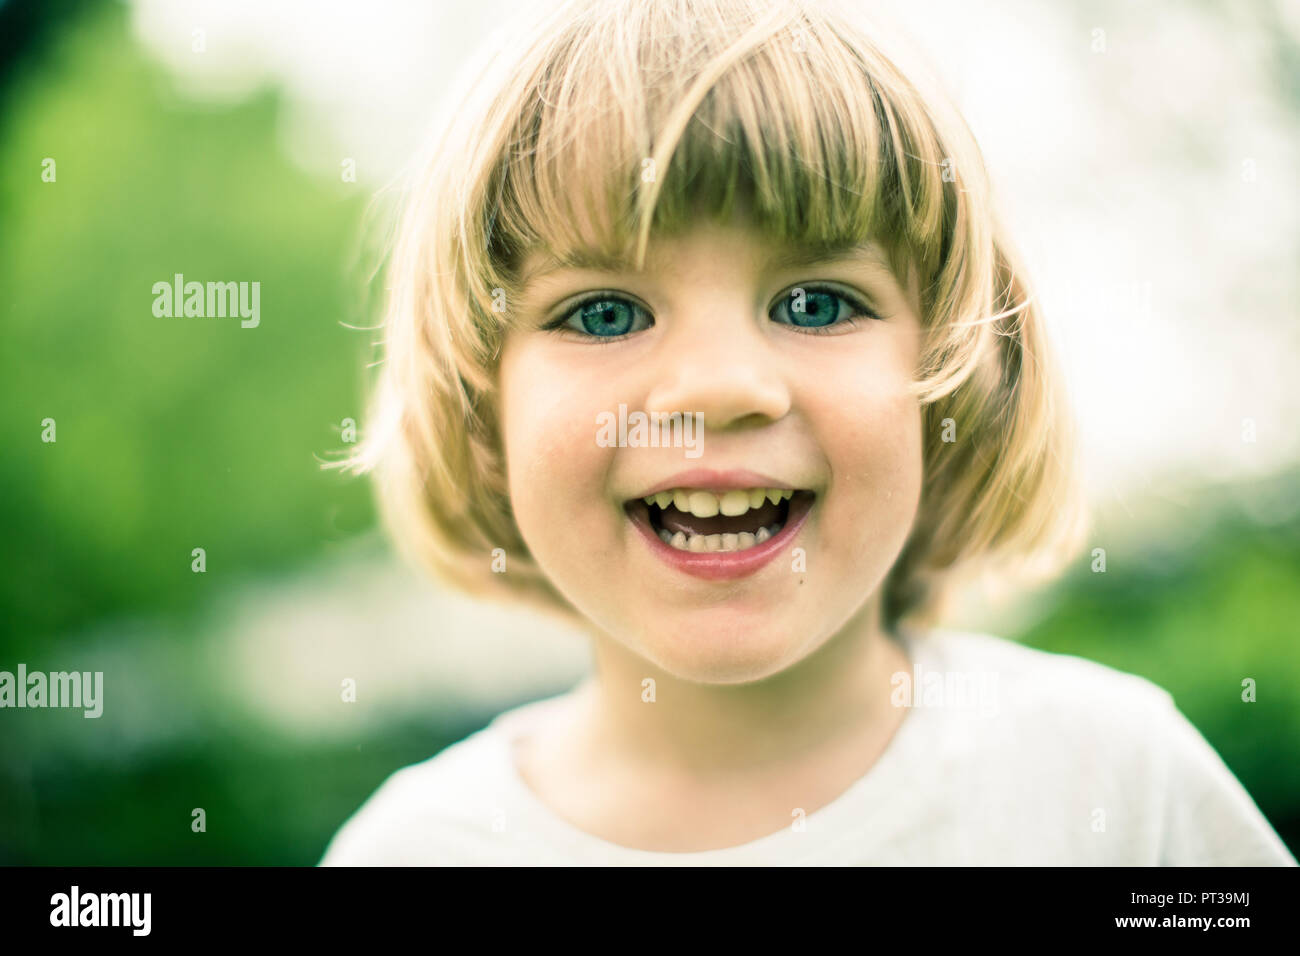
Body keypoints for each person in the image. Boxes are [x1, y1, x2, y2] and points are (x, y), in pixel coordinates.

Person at [319, 0, 1296, 865]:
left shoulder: (1110, 782)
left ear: (950, 375)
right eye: (604, 313)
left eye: (817, 302)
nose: (722, 387)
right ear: (480, 408)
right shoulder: (416, 849)